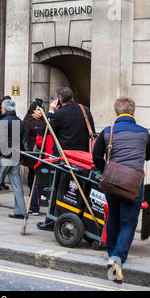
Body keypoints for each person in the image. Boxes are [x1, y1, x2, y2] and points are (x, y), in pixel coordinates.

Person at [92, 97, 150, 284]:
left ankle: (111, 254)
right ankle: (117, 258)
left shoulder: (108, 132)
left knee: (113, 218)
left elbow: (96, 157)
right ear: (133, 113)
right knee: (128, 223)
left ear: (116, 113)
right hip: (134, 182)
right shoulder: (144, 132)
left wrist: (106, 170)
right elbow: (148, 156)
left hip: (113, 181)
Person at [36, 87, 96, 231]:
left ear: (59, 100)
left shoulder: (59, 114)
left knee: (59, 191)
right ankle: (79, 220)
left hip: (65, 159)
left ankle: (51, 223)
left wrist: (50, 112)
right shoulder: (85, 110)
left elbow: (43, 131)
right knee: (79, 192)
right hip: (84, 160)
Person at [22, 101, 44, 191]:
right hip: (32, 151)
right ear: (33, 111)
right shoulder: (28, 121)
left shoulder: (44, 121)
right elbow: (25, 137)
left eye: (42, 109)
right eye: (38, 110)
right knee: (32, 171)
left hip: (42, 150)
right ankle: (32, 189)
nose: (41, 112)